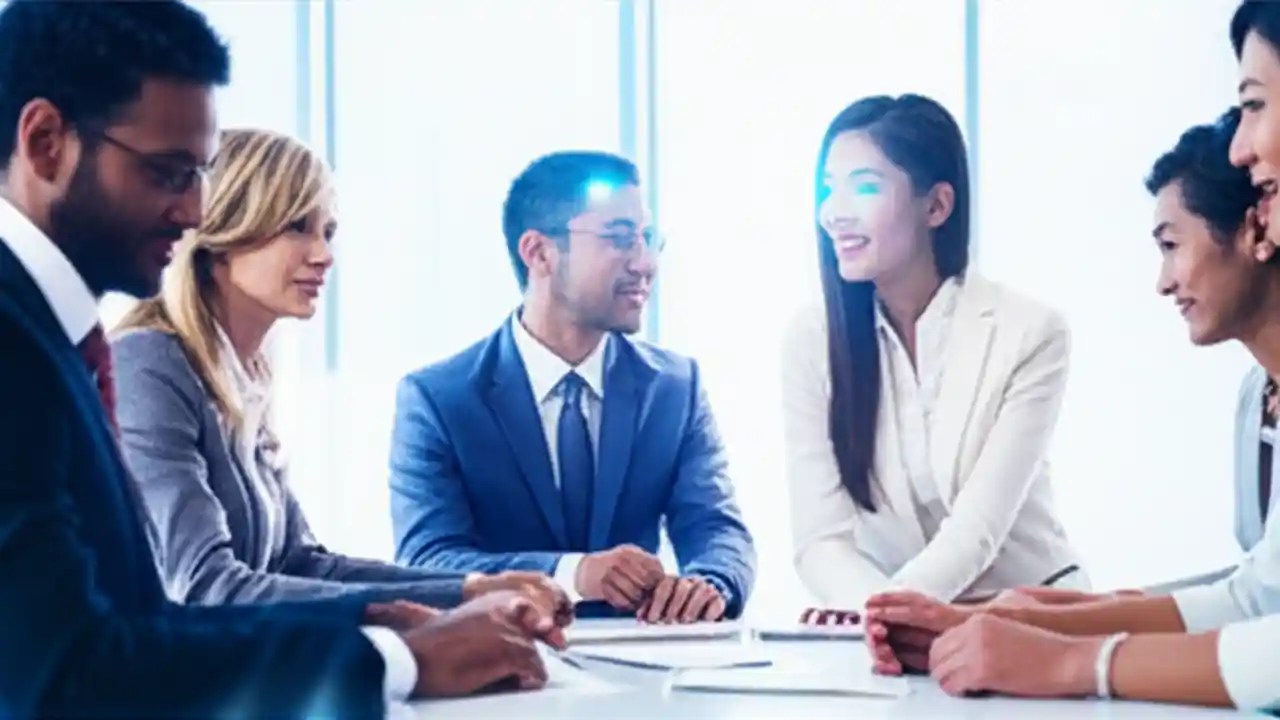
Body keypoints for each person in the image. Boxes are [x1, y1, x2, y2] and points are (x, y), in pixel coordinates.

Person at [0, 3, 564, 717]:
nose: (198, 211)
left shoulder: (59, 344)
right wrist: (395, 655)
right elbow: (68, 671)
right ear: (46, 141)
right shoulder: (39, 352)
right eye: (170, 172)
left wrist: (434, 606)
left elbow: (149, 621)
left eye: (202, 175)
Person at [863, 105, 1278, 712]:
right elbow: (1255, 597)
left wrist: (1071, 658)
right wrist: (1040, 619)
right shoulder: (1257, 395)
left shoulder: (1029, 329)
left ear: (1253, 229)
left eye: (1171, 245)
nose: (1162, 282)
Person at [110, 128, 563, 612]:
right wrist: (406, 619)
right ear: (223, 234)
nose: (324, 256)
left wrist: (472, 589)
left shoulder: (243, 377)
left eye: (327, 232)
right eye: (297, 227)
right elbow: (205, 587)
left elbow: (302, 564)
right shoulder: (148, 364)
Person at [388, 150, 756, 622]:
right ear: (539, 252)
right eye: (620, 239)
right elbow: (428, 561)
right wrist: (573, 574)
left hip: (647, 670)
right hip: (499, 672)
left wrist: (711, 582)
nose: (644, 263)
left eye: (647, 239)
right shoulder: (439, 399)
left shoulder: (675, 387)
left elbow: (716, 527)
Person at [783, 93, 1085, 613]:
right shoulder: (812, 339)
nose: (834, 213)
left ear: (937, 206)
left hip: (1031, 618)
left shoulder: (1030, 331)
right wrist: (874, 615)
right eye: (829, 189)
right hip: (893, 629)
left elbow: (976, 532)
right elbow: (821, 539)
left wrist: (885, 613)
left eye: (866, 186)